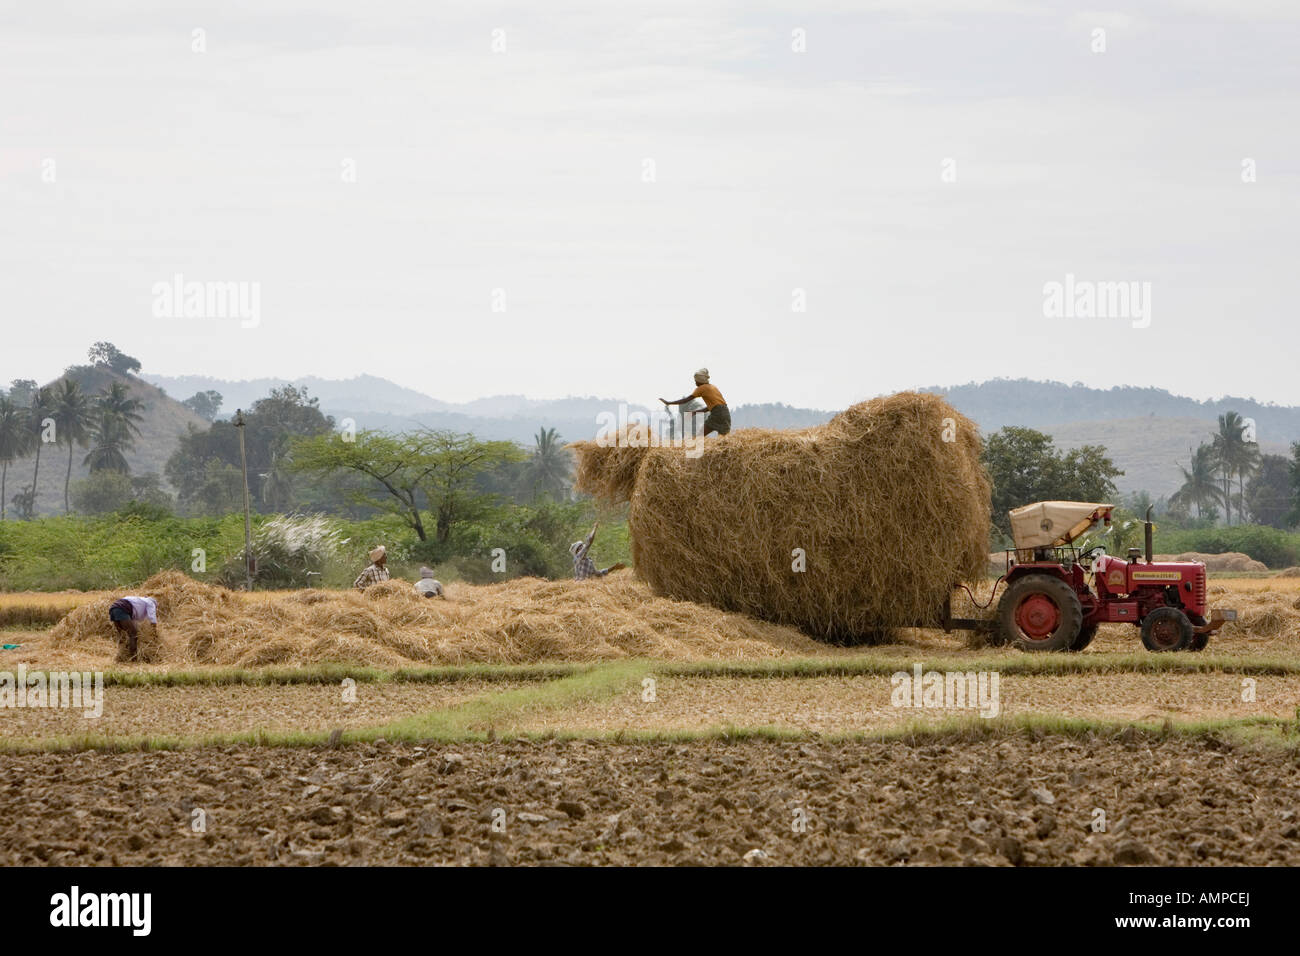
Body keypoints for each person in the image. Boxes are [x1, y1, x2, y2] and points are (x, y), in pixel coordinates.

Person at [660, 367, 730, 436]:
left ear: (700, 381)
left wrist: (669, 403)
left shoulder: (701, 388)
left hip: (717, 414)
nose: (695, 382)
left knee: (700, 436)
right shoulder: (713, 387)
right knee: (723, 439)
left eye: (696, 380)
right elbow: (713, 407)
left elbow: (685, 400)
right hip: (725, 413)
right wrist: (695, 412)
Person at [108, 595, 158, 661]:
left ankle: (122, 656)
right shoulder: (151, 603)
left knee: (122, 635)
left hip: (113, 609)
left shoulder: (139, 601)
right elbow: (153, 621)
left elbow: (133, 620)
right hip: (122, 609)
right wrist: (154, 635)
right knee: (133, 634)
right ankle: (133, 657)